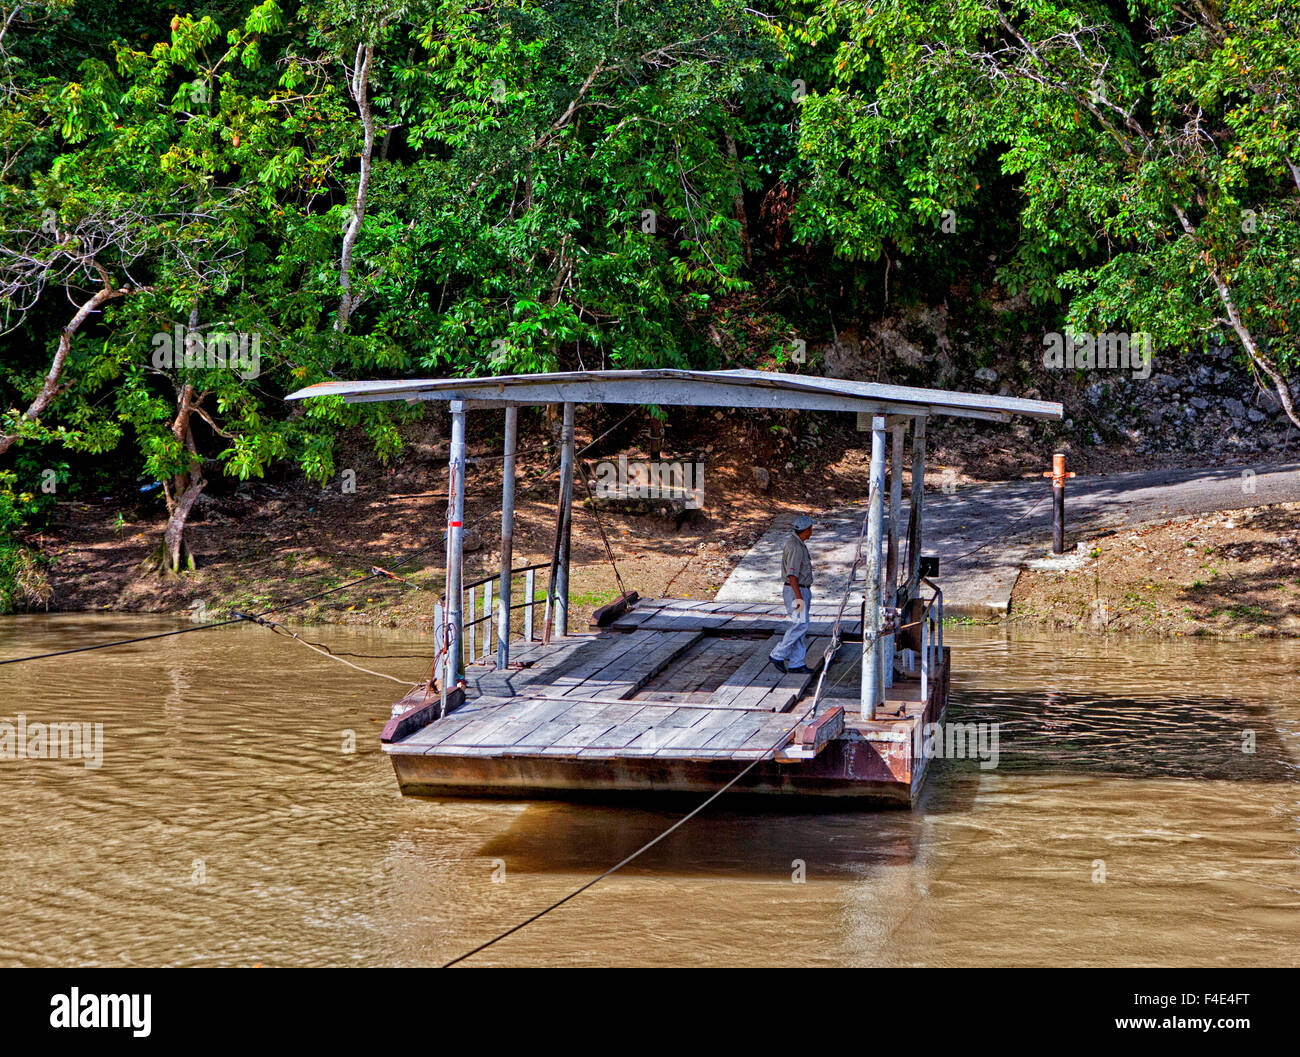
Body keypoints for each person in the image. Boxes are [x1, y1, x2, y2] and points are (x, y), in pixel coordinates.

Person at [769, 514, 815, 674]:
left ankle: (796, 663)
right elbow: (792, 574)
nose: (811, 532)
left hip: (801, 589)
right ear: (807, 530)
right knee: (800, 624)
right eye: (811, 529)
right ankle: (778, 654)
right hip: (797, 589)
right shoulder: (795, 547)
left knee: (801, 626)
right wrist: (798, 596)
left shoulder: (797, 543)